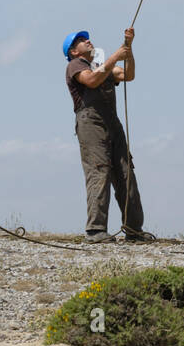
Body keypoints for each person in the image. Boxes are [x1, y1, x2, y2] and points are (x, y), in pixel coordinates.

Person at [63, 28, 155, 243]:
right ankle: (96, 230)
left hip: (112, 123)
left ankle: (134, 230)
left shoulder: (101, 67)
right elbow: (92, 80)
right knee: (99, 171)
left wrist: (128, 48)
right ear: (74, 52)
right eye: (80, 41)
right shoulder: (75, 66)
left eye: (86, 38)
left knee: (126, 173)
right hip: (91, 123)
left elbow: (128, 75)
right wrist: (116, 55)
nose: (87, 40)